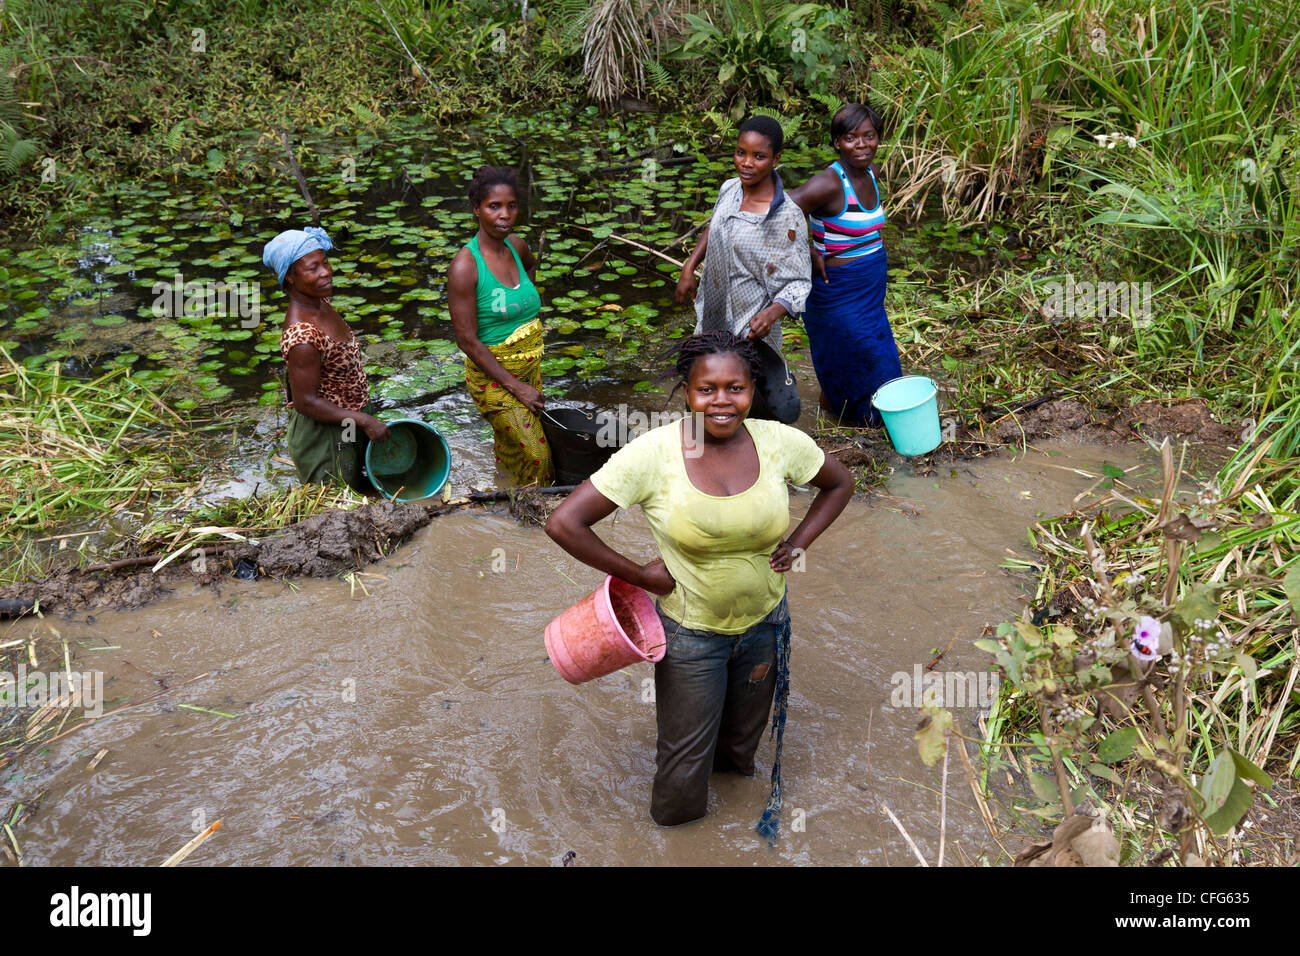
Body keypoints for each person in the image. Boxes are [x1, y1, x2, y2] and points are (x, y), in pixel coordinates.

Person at [544, 330, 853, 837]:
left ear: (753, 389)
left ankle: (727, 839)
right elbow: (564, 524)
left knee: (738, 755)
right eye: (706, 389)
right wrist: (641, 575)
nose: (722, 401)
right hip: (691, 635)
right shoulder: (654, 454)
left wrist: (799, 543)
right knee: (682, 778)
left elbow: (839, 483)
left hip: (765, 626)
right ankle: (679, 845)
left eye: (736, 388)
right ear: (686, 391)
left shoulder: (780, 443)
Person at [789, 103, 904, 428]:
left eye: (869, 136)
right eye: (851, 138)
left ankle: (834, 423)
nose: (862, 144)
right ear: (837, 142)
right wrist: (806, 250)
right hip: (836, 294)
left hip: (869, 294)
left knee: (856, 360)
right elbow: (779, 211)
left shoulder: (871, 173)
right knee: (869, 362)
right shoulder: (828, 183)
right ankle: (864, 430)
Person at [447, 166, 554, 487]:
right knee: (539, 455)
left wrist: (522, 308)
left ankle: (504, 497)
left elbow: (531, 269)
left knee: (514, 446)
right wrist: (515, 386)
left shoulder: (518, 248)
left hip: (529, 369)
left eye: (511, 206)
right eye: (494, 206)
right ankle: (536, 519)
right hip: (492, 379)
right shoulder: (465, 266)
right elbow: (466, 340)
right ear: (476, 209)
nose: (505, 215)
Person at [674, 116, 811, 363]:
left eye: (759, 157)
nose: (746, 163)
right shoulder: (729, 189)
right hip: (713, 316)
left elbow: (799, 283)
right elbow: (717, 225)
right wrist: (690, 266)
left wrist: (770, 315)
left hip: (752, 332)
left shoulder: (786, 216)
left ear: (776, 159)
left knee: (744, 392)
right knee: (705, 386)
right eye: (740, 153)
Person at [264, 225, 389, 490]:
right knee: (336, 509)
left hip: (347, 422)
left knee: (363, 495)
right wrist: (366, 421)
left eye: (325, 262)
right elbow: (305, 403)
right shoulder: (303, 336)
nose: (326, 272)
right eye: (313, 268)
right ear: (290, 278)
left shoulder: (321, 304)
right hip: (325, 436)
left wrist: (362, 419)